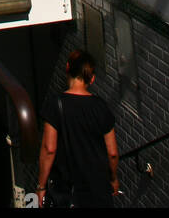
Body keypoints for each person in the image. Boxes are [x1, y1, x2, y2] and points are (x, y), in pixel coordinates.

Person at [36, 49, 119, 208]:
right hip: (97, 189)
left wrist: (41, 186)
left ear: (67, 68)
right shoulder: (101, 107)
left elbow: (49, 149)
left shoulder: (55, 104)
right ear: (92, 79)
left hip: (68, 190)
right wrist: (113, 178)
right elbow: (113, 153)